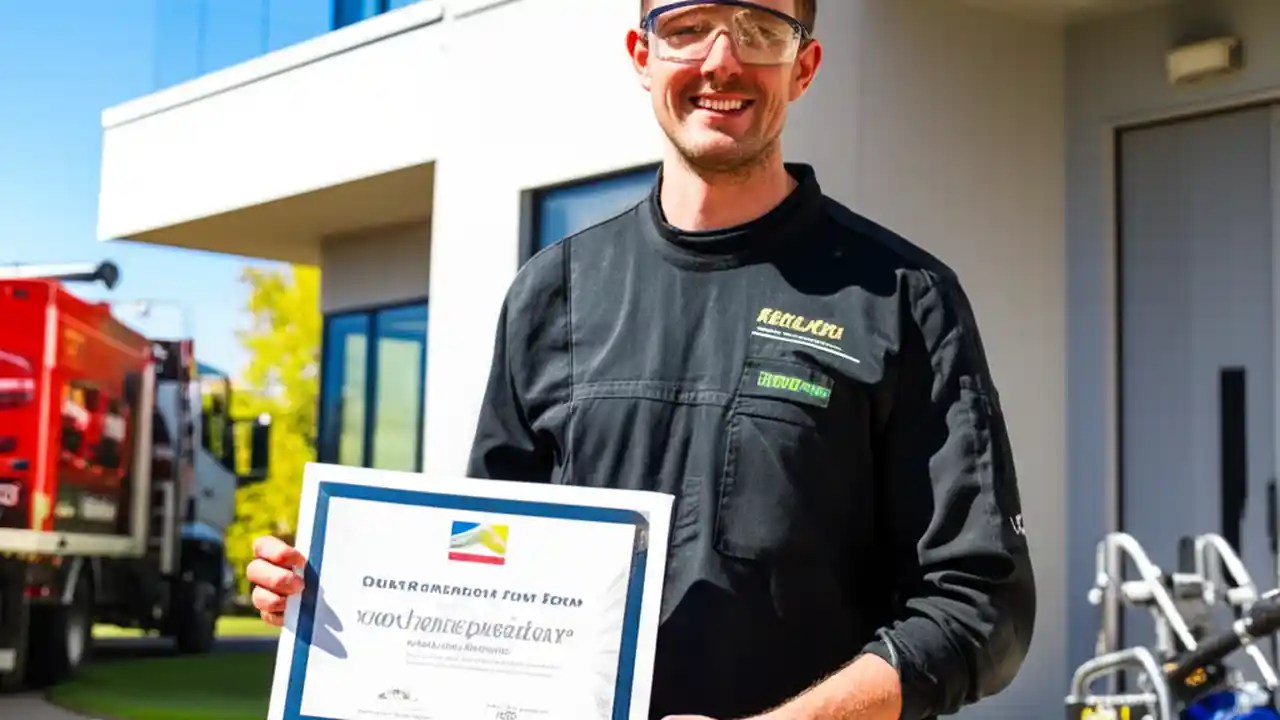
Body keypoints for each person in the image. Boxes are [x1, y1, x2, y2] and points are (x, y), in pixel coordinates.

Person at [247, 1, 1037, 718]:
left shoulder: (902, 298)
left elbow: (979, 608)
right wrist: (342, 594)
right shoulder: (552, 293)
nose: (722, 61)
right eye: (688, 27)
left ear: (804, 67)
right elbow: (486, 578)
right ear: (641, 54)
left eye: (761, 30)